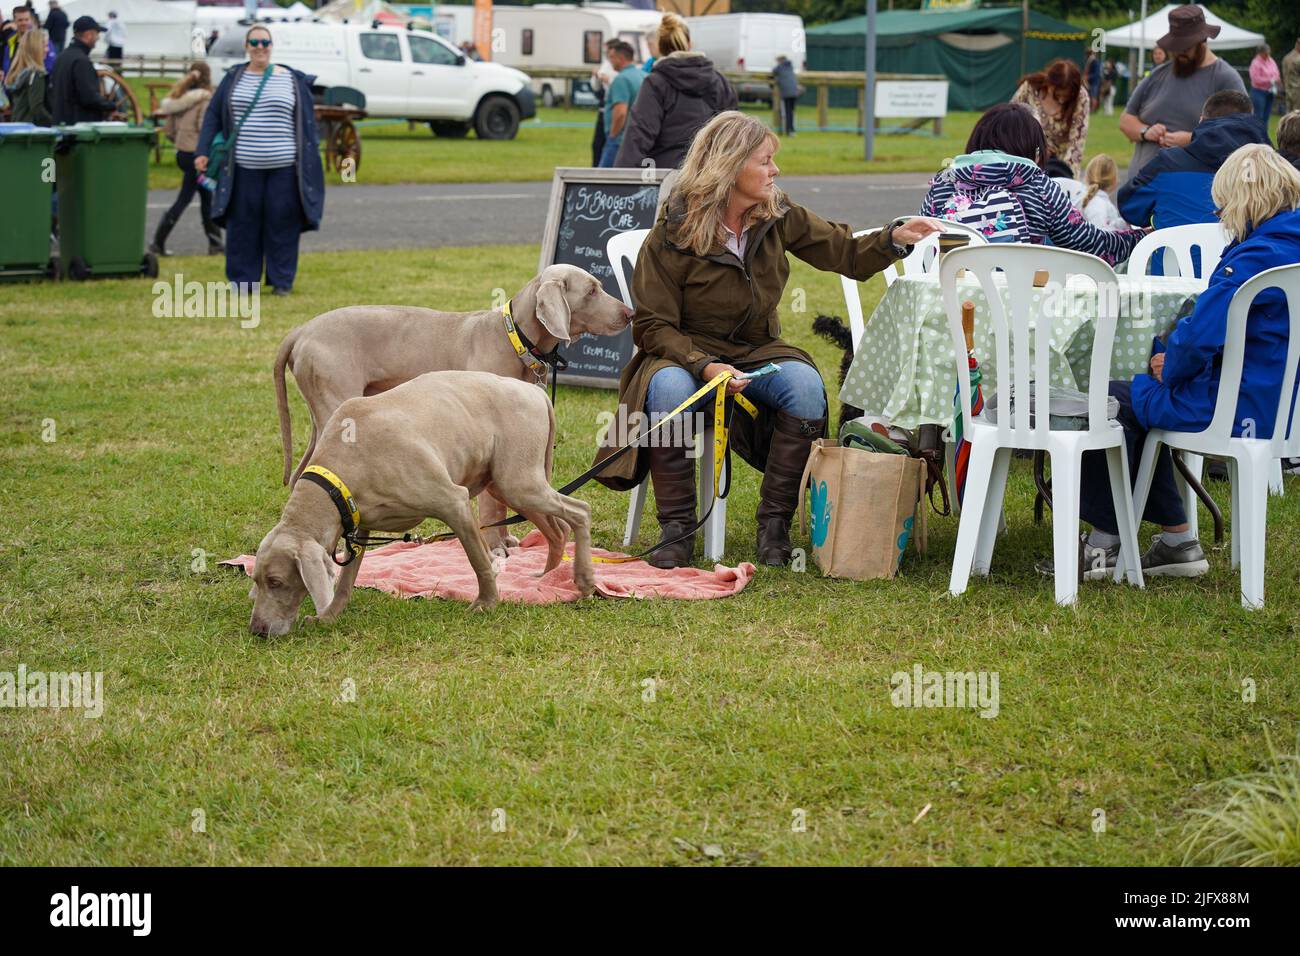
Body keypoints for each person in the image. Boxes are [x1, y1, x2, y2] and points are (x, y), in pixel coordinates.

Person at [592, 111, 941, 568]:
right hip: (683, 353)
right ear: (731, 167)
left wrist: (894, 237)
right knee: (671, 392)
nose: (775, 171)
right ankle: (677, 529)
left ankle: (774, 524)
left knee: (805, 389)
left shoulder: (777, 213)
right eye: (765, 161)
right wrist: (705, 366)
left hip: (757, 350)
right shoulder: (673, 231)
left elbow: (844, 252)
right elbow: (653, 327)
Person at [1049, 145, 1300, 580]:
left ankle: (1107, 541)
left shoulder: (1249, 263)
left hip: (1230, 407)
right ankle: (1176, 539)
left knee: (1110, 401)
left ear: (1240, 203)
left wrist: (1170, 362)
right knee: (1136, 402)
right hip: (1282, 408)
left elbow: (1200, 336)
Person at [919, 103, 1144, 265]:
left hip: (948, 307)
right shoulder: (1039, 188)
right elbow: (1091, 245)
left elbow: (921, 246)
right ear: (1035, 151)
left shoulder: (944, 183)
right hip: (1023, 313)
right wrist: (1141, 237)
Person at [195, 25, 324, 296]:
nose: (260, 47)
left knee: (282, 225)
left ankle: (282, 281)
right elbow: (213, 117)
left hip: (285, 169)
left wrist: (313, 159)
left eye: (265, 42)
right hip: (242, 168)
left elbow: (309, 126)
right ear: (246, 45)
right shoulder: (234, 78)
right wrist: (203, 151)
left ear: (271, 45)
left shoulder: (291, 79)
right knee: (242, 226)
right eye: (254, 42)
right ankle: (243, 282)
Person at [1120, 5, 1246, 184]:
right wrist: (1146, 131)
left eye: (1185, 48)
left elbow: (1240, 135)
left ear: (1203, 40)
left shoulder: (1225, 79)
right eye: (1175, 47)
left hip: (1192, 197)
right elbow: (1125, 120)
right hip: (1140, 193)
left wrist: (1192, 139)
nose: (1179, 53)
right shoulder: (1158, 74)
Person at [1119, 90, 1268, 231]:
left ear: (1201, 121)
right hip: (1247, 256)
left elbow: (1130, 207)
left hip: (1178, 257)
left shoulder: (1168, 164)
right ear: (1250, 121)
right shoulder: (1271, 171)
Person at [613, 12, 736, 171]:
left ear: (660, 47)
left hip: (666, 178)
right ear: (689, 43)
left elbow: (638, 135)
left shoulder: (656, 83)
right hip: (708, 176)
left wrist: (621, 182)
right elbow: (734, 135)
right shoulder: (719, 81)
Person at [152, 62, 222, 257]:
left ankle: (216, 244)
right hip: (197, 156)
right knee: (185, 198)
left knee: (207, 196)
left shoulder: (179, 99)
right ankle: (158, 242)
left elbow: (170, 130)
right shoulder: (206, 100)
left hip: (183, 153)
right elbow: (204, 128)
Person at [1011, 58, 1089, 175]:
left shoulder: (1081, 98)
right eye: (1058, 95)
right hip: (1024, 159)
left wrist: (1068, 177)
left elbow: (1076, 144)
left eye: (1067, 96)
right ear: (1049, 84)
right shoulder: (1029, 89)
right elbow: (1009, 119)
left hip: (1058, 166)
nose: (1062, 100)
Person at [50, 16, 118, 125]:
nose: (98, 38)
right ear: (89, 35)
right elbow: (89, 97)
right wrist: (111, 106)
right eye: (97, 34)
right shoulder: (81, 61)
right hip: (79, 129)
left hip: (61, 122)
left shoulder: (62, 57)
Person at [597, 39, 643, 168]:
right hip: (637, 138)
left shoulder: (621, 79)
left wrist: (612, 136)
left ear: (621, 58)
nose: (610, 61)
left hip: (619, 139)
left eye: (612, 57)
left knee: (602, 178)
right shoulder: (644, 75)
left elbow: (621, 112)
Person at [5, 27, 50, 125]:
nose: (48, 49)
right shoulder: (36, 74)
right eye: (45, 46)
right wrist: (54, 121)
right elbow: (37, 108)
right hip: (32, 132)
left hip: (17, 128)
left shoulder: (20, 75)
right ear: (36, 48)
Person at [1079, 155, 1128, 230]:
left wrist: (1123, 223)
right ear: (1113, 180)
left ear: (1087, 176)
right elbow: (1101, 234)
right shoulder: (1098, 204)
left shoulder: (1085, 197)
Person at [1, 5, 52, 75]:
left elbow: (50, 65)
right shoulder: (11, 40)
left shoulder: (41, 39)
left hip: (32, 83)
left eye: (26, 19)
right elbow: (6, 64)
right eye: (20, 20)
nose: (24, 23)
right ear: (14, 21)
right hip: (13, 83)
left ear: (30, 20)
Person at [1249, 44, 1281, 127]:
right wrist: (1270, 80)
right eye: (1266, 53)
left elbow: (1276, 72)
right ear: (1260, 53)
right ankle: (1257, 136)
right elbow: (1255, 79)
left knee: (1266, 116)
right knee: (1258, 116)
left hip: (1270, 91)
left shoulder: (1271, 60)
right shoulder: (1255, 63)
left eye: (1269, 53)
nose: (1268, 55)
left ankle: (1264, 136)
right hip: (1258, 92)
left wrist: (1276, 79)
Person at [771, 54, 798, 136]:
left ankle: (788, 131)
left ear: (780, 60)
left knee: (787, 112)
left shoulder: (780, 67)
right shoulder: (790, 66)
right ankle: (791, 129)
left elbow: (773, 71)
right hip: (794, 91)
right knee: (792, 111)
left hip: (786, 92)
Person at [1283, 36, 1300, 113]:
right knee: (1297, 114)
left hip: (1288, 89)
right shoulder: (1298, 59)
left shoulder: (1287, 57)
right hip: (1297, 89)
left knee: (1289, 113)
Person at [1084, 47, 1102, 113]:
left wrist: (1088, 77)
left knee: (1093, 96)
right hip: (1090, 82)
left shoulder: (1095, 61)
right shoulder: (1090, 61)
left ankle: (1093, 110)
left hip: (1094, 82)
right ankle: (1090, 109)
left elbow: (1096, 73)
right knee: (1090, 96)